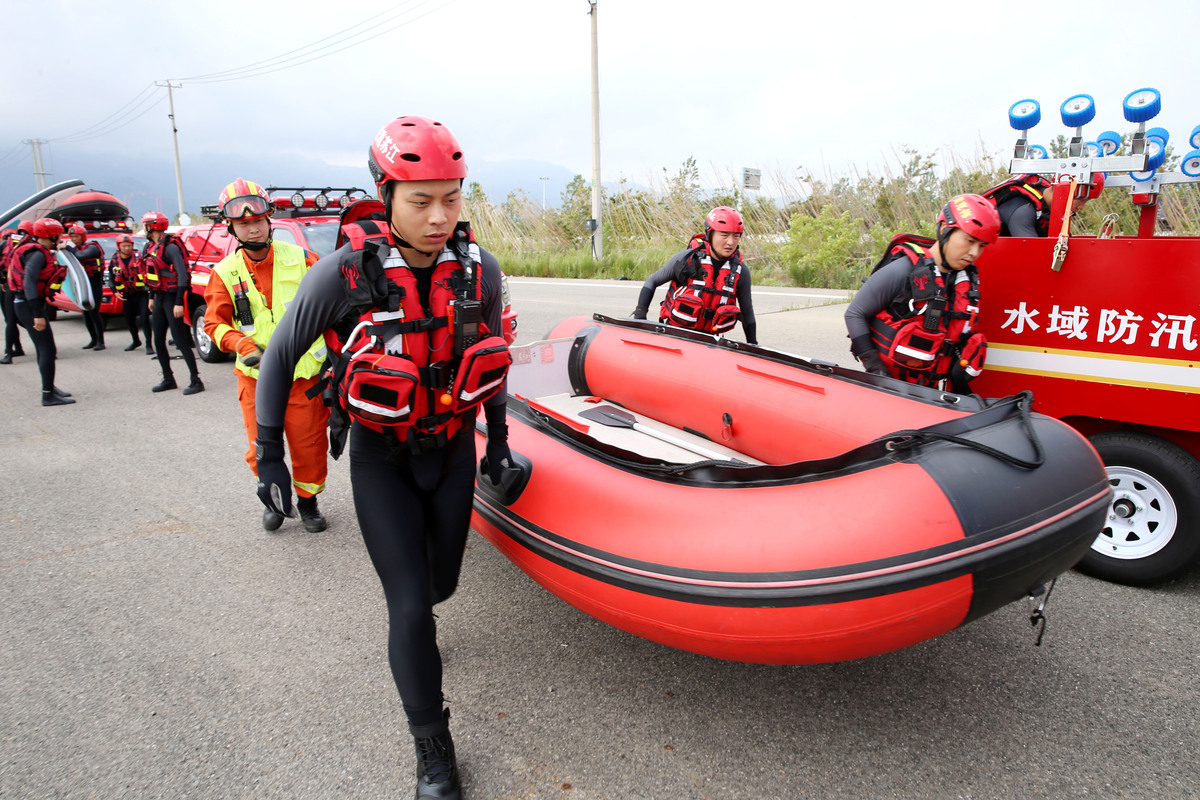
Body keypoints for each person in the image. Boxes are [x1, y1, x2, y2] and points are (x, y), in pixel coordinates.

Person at [255, 115, 512, 800]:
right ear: (386, 192)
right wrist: (268, 454)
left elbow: (491, 362)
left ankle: (422, 625)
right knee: (411, 608)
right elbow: (280, 358)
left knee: (441, 587)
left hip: (452, 450)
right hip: (380, 459)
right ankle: (433, 752)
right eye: (420, 200)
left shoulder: (479, 270)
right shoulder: (341, 275)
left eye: (451, 198)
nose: (438, 216)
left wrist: (501, 444)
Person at [203, 178, 329, 533]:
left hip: (303, 378)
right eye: (244, 224)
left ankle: (308, 502)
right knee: (260, 448)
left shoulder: (305, 260)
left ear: (269, 219)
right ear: (232, 227)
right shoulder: (224, 272)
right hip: (255, 379)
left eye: (258, 221)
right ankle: (274, 497)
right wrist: (242, 345)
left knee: (310, 447)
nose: (253, 228)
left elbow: (332, 311)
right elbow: (214, 323)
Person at [845, 193, 1001, 394]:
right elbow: (854, 313)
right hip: (890, 386)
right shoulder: (903, 270)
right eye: (969, 241)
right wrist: (877, 371)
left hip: (932, 392)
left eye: (981, 246)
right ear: (945, 230)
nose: (974, 253)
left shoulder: (964, 280)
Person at [632, 205, 757, 344]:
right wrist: (640, 316)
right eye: (724, 235)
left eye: (736, 236)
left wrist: (753, 343)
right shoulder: (688, 258)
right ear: (710, 234)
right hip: (675, 333)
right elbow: (652, 281)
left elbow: (747, 312)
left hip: (709, 341)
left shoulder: (741, 271)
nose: (730, 242)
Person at [7, 217, 74, 405]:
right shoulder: (36, 255)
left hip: (27, 304)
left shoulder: (38, 250)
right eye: (58, 234)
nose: (60, 237)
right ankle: (47, 394)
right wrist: (37, 314)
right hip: (28, 306)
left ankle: (50, 387)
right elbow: (28, 282)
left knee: (45, 348)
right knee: (47, 349)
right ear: (50, 235)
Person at [140, 211, 204, 394]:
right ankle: (168, 379)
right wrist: (152, 297)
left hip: (172, 298)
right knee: (158, 340)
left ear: (152, 226)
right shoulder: (150, 247)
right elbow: (153, 275)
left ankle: (196, 380)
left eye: (146, 225)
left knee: (180, 339)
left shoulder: (171, 247)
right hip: (159, 297)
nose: (144, 228)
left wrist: (179, 303)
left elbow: (183, 276)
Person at [984, 172, 1104, 237]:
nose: (1081, 207)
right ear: (1065, 190)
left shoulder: (1047, 208)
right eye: (1081, 199)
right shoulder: (1024, 210)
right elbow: (1033, 258)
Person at [64, 223, 107, 350]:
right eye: (71, 237)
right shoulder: (76, 248)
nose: (73, 239)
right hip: (84, 283)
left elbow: (81, 256)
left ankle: (101, 342)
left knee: (94, 312)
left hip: (94, 283)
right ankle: (93, 340)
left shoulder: (92, 247)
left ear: (83, 236)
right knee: (86, 313)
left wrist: (67, 247)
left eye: (76, 236)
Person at [109, 233, 152, 352]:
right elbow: (111, 279)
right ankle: (135, 341)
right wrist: (115, 292)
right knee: (129, 319)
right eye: (124, 246)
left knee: (144, 319)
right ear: (119, 246)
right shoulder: (114, 260)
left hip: (142, 293)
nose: (127, 248)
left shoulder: (139, 257)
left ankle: (149, 345)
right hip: (127, 295)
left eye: (129, 245)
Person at [1, 222, 29, 364]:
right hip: (25, 288)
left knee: (10, 320)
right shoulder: (31, 246)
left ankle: (8, 353)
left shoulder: (5, 245)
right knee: (29, 319)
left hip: (9, 287)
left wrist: (2, 281)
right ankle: (18, 348)